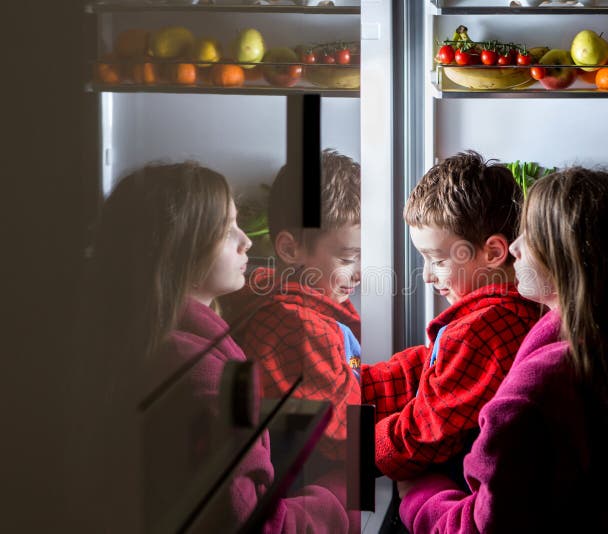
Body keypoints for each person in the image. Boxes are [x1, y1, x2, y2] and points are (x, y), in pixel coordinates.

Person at [397, 167, 608, 533]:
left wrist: (420, 494)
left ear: (569, 256)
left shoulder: (533, 392)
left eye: (530, 234)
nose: (515, 247)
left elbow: (479, 527)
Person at [75, 162, 349, 533]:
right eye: (225, 230)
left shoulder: (151, 342)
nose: (246, 240)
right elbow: (253, 525)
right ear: (178, 250)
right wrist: (339, 492)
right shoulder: (203, 374)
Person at [361, 150, 542, 486]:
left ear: (493, 252)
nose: (428, 276)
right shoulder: (493, 315)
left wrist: (355, 449)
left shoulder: (484, 330)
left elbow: (427, 433)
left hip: (464, 493)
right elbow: (427, 369)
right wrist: (355, 385)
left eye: (438, 261)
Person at [224, 148, 362, 472]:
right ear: (290, 249)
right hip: (310, 485)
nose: (359, 273)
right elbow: (346, 435)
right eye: (346, 259)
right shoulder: (297, 326)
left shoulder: (317, 301)